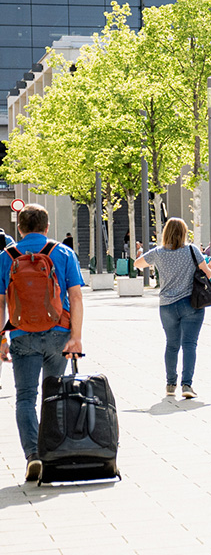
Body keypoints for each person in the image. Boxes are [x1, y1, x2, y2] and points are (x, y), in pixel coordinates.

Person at [0, 203, 84, 482]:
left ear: (19, 228)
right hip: (58, 333)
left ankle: (33, 455)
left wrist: (1, 338)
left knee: (25, 397)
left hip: (22, 335)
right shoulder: (62, 252)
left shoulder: (6, 256)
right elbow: (76, 297)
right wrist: (76, 337)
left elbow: (0, 303)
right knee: (53, 394)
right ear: (47, 227)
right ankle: (54, 453)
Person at [135, 217, 211, 399]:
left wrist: (155, 264)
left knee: (171, 345)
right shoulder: (192, 250)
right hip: (191, 303)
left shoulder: (158, 252)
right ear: (184, 233)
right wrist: (207, 266)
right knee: (189, 344)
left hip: (167, 305)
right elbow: (208, 274)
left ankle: (170, 384)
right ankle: (187, 385)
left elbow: (138, 263)